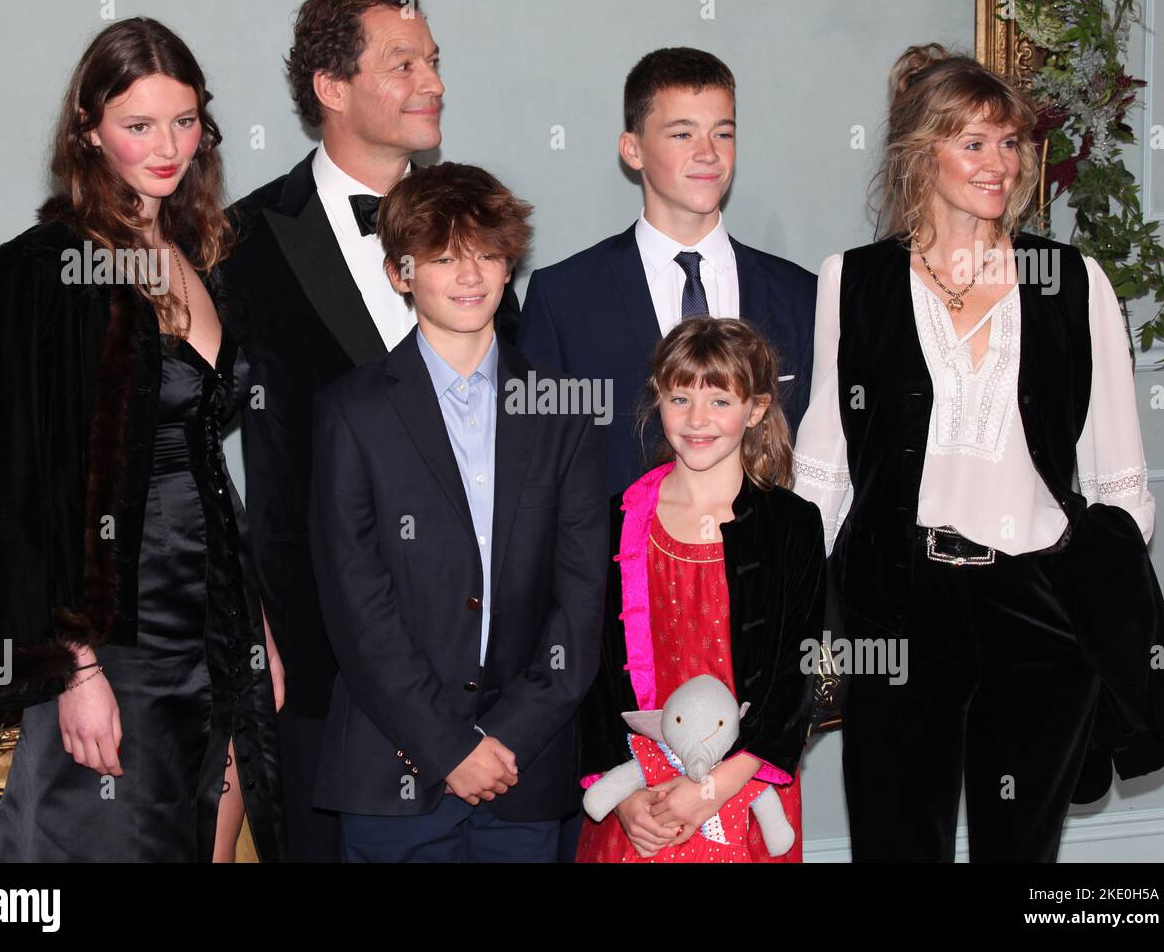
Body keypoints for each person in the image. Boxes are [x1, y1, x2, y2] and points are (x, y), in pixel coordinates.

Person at [792, 44, 1164, 862]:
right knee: (900, 844)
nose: (999, 163)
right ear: (919, 152)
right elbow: (825, 467)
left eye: (1010, 142)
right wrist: (800, 617)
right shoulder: (853, 281)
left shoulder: (1072, 281)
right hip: (896, 608)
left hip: (1035, 603)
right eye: (972, 141)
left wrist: (1082, 597)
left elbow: (1121, 479)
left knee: (1023, 850)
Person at [0, 17, 285, 861]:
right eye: (138, 125)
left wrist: (257, 631)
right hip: (117, 645)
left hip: (213, 631)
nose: (166, 145)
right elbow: (15, 492)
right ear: (89, 129)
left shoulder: (204, 256)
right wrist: (75, 669)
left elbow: (215, 474)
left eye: (184, 121)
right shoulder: (42, 268)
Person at [221, 0, 518, 862]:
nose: (432, 81)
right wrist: (247, 618)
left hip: (482, 660)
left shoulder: (483, 231)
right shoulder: (240, 242)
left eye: (433, 60)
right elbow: (191, 450)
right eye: (403, 64)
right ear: (331, 88)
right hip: (319, 663)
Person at [308, 162, 607, 862]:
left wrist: (506, 740)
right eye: (444, 257)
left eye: (487, 255)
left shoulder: (566, 409)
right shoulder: (351, 412)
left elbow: (582, 598)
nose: (469, 275)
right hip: (393, 768)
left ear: (510, 267)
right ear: (400, 273)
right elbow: (356, 606)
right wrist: (448, 747)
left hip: (524, 770)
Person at [576, 316, 825, 862]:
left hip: (747, 784)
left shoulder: (793, 524)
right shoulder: (617, 519)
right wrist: (625, 800)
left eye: (719, 402)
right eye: (679, 397)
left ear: (756, 409)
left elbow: (795, 674)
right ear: (657, 400)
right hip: (640, 792)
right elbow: (590, 669)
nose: (696, 420)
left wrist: (715, 787)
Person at [518, 47, 816, 497]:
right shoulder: (563, 299)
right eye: (682, 134)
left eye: (723, 134)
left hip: (766, 563)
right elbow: (537, 472)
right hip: (614, 562)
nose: (708, 154)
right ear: (632, 150)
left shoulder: (802, 295)